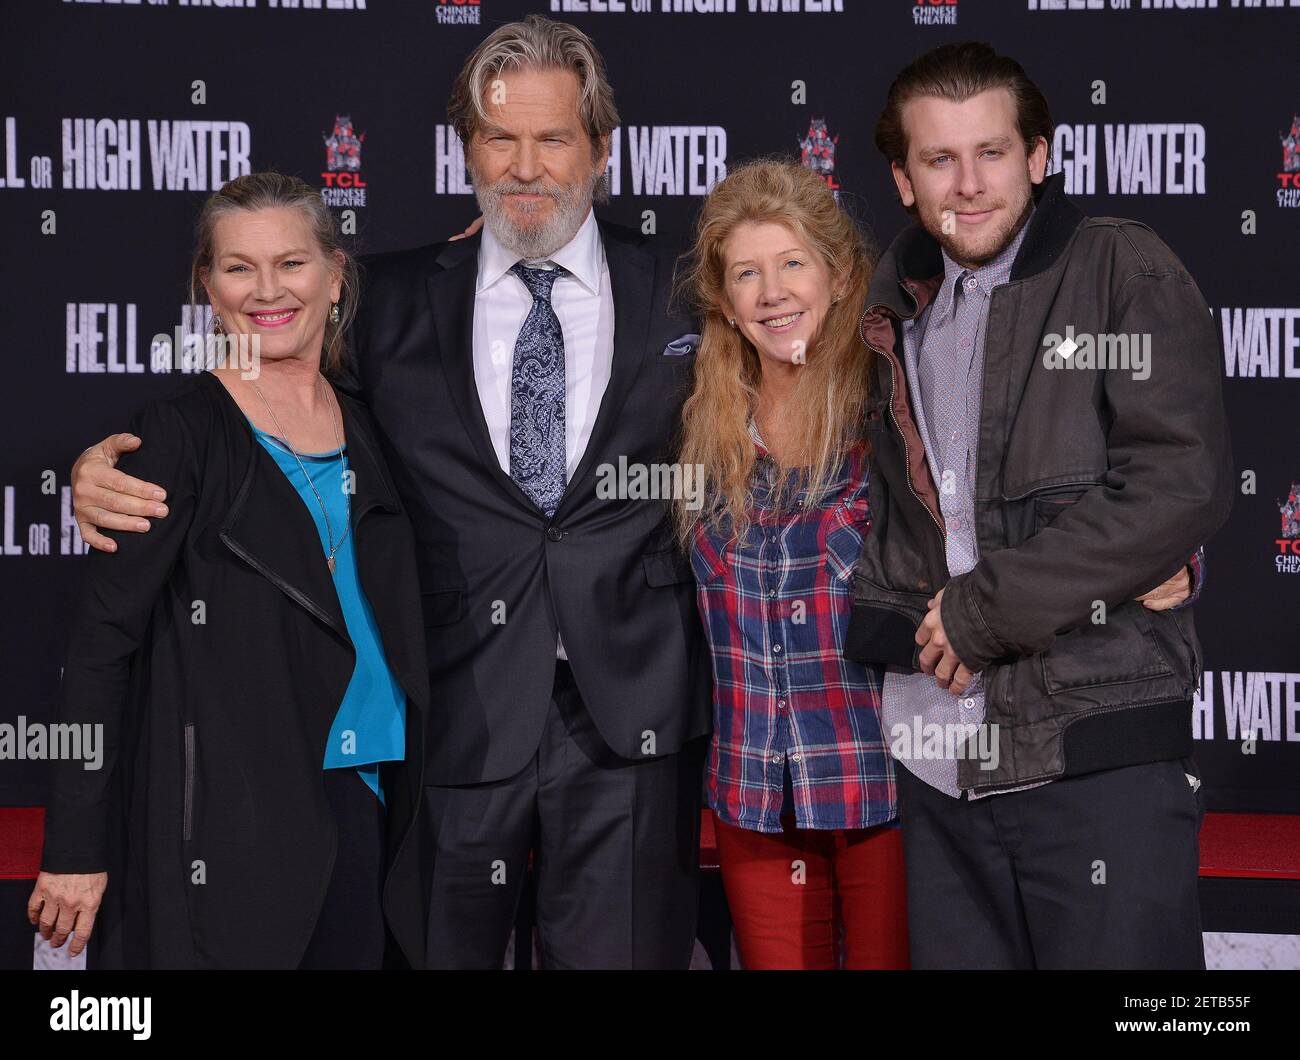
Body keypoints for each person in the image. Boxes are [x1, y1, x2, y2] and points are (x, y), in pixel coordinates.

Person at [67, 16, 710, 970]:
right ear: (467, 151)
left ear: (601, 150)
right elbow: (272, 404)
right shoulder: (392, 299)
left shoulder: (688, 292)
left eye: (553, 138)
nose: (525, 165)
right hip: (450, 718)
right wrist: (101, 470)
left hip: (631, 717)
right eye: (500, 138)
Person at [843, 41, 1230, 969]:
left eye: (993, 153)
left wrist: (987, 611)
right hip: (937, 768)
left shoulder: (1116, 270)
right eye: (939, 159)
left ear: (1039, 158)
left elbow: (1179, 479)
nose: (968, 183)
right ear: (902, 179)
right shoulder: (893, 306)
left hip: (1093, 754)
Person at [30, 172, 431, 969]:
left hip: (368, 796)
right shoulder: (178, 434)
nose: (267, 291)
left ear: (335, 275)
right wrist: (76, 845)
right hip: (232, 821)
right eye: (239, 267)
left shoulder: (372, 418)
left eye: (292, 263)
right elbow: (103, 647)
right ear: (206, 287)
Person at [674, 160, 908, 968]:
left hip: (888, 785)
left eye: (792, 264)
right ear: (725, 301)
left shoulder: (898, 404)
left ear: (841, 277)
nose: (771, 292)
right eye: (747, 273)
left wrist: (1167, 562)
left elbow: (1017, 488)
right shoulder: (697, 424)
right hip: (754, 797)